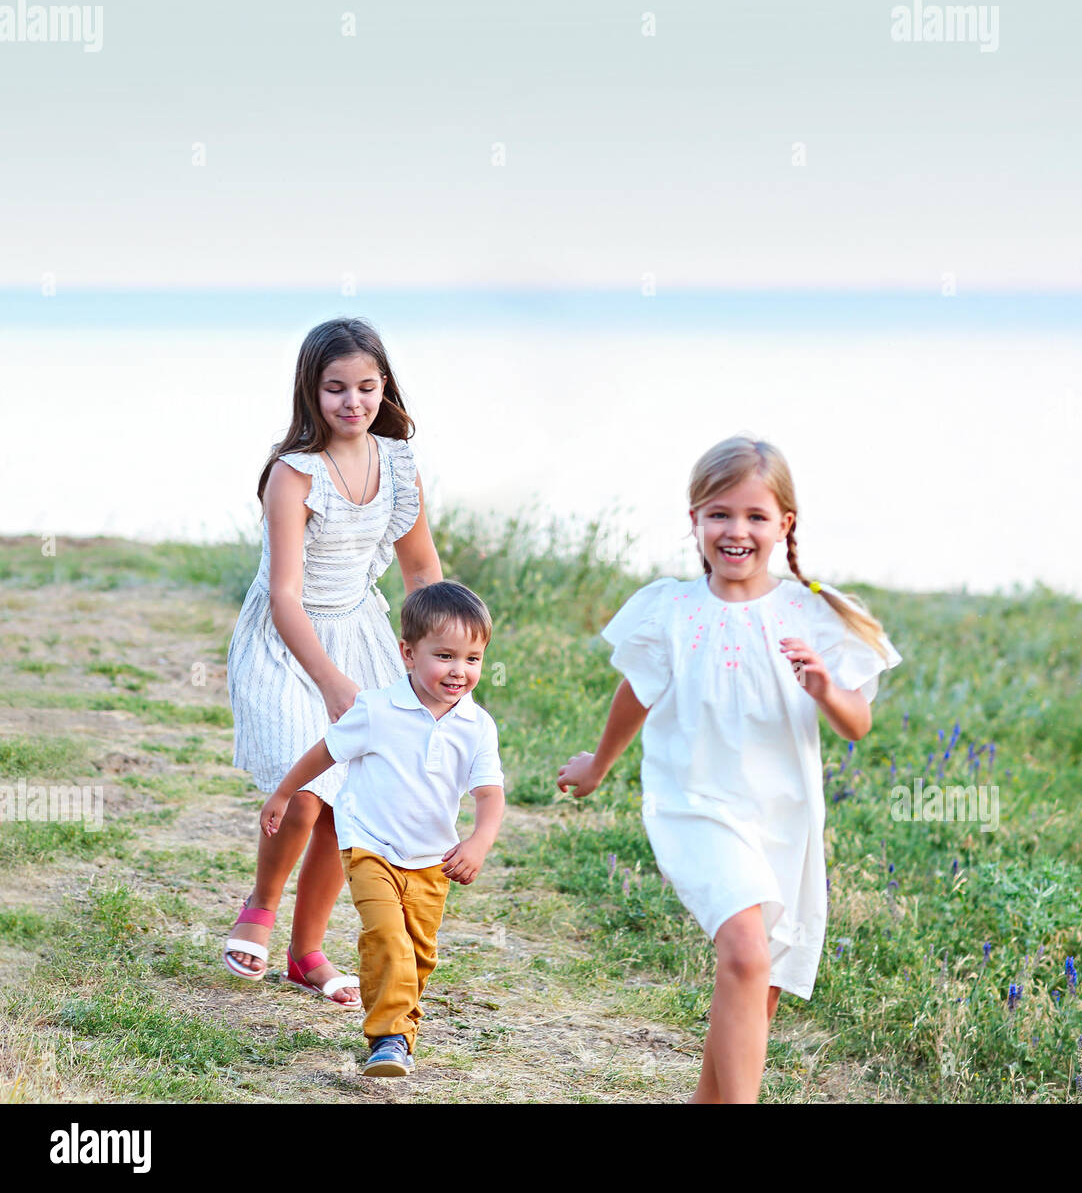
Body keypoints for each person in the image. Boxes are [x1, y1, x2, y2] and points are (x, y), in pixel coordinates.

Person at [556, 433, 903, 1103]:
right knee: (745, 952)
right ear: (694, 521)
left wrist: (827, 686)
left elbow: (857, 723)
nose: (735, 529)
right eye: (719, 513)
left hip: (782, 818)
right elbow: (637, 690)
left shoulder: (815, 611)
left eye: (754, 515)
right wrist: (599, 764)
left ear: (784, 525)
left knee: (755, 989)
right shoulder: (671, 609)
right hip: (695, 804)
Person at [222, 318, 443, 1006]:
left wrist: (437, 654)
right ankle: (259, 905)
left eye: (368, 387)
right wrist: (329, 680)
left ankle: (306, 950)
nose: (354, 401)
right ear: (311, 391)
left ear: (385, 387)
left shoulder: (398, 464)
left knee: (347, 799)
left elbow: (421, 571)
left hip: (361, 633)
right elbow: (285, 595)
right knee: (309, 786)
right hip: (286, 640)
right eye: (336, 388)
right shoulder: (293, 475)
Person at [261, 581, 506, 1076]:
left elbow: (489, 793)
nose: (460, 671)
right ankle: (388, 1039)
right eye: (445, 656)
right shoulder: (377, 710)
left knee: (417, 954)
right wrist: (284, 792)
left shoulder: (477, 726)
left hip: (432, 858)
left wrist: (479, 841)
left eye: (473, 659)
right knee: (387, 938)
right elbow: (325, 750)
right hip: (369, 845)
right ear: (408, 654)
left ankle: (401, 1033)